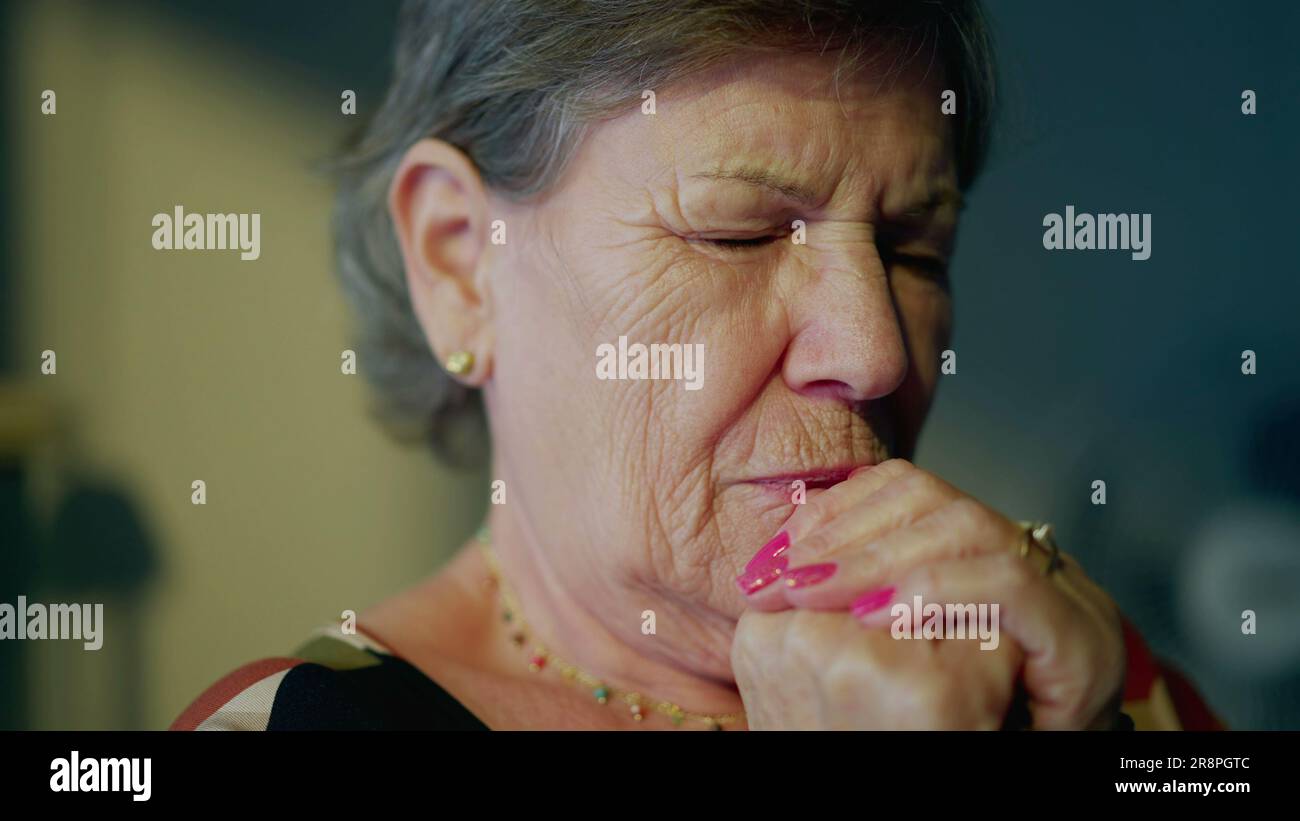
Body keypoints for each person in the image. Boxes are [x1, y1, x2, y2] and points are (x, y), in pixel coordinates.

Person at [174, 0, 1220, 731]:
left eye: (910, 247)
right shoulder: (299, 725)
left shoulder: (1089, 679)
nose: (871, 351)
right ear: (459, 263)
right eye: (740, 234)